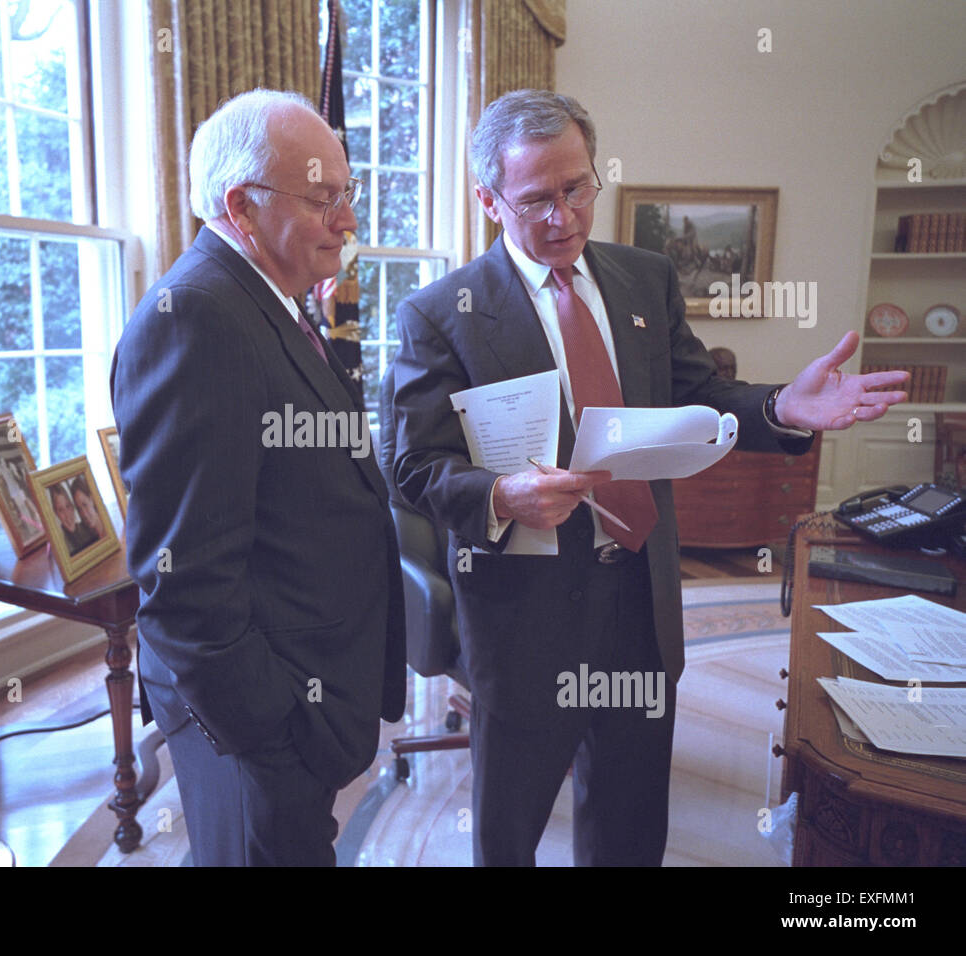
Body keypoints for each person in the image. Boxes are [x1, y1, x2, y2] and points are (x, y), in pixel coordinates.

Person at [389, 89, 908, 867]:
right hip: (523, 616)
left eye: (577, 189)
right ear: (488, 200)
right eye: (536, 200)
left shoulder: (644, 279)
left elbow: (699, 395)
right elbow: (411, 466)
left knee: (630, 822)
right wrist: (500, 496)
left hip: (639, 596)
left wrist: (784, 407)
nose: (563, 217)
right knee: (511, 830)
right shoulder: (442, 313)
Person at [110, 89, 406, 866]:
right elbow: (185, 587)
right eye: (324, 198)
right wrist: (275, 738)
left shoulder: (269, 295)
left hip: (309, 686)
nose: (348, 220)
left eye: (348, 194)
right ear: (241, 205)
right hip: (262, 728)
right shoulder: (195, 319)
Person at [49, 482, 97, 556]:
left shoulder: (89, 528)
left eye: (68, 506)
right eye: (61, 510)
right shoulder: (61, 545)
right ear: (56, 513)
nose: (67, 514)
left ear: (72, 506)